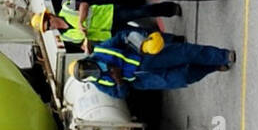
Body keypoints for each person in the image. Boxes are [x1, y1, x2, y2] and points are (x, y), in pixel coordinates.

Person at [74, 29, 235, 97]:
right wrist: (119, 81)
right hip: (146, 80)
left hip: (146, 58)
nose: (89, 72)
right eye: (85, 75)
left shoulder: (102, 50)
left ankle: (222, 56)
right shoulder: (99, 83)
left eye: (85, 68)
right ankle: (213, 66)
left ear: (86, 62)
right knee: (186, 77)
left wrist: (142, 43)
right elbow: (120, 95)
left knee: (185, 53)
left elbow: (123, 35)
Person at [32, 0, 181, 51]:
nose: (51, 26)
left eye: (48, 23)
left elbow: (84, 5)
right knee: (142, 36)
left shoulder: (66, 7)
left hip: (110, 15)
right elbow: (83, 43)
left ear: (50, 16)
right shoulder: (66, 36)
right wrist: (87, 45)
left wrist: (80, 21)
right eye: (48, 28)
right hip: (111, 33)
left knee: (141, 11)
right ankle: (174, 40)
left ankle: (170, 9)